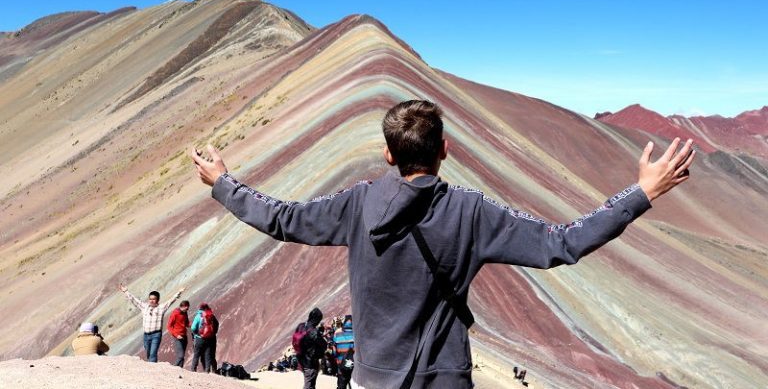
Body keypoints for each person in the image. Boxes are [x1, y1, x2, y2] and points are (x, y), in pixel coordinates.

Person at [191, 99, 695, 389]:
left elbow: (282, 219)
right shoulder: (471, 211)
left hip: (376, 378)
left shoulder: (357, 204)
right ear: (446, 151)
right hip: (445, 379)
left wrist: (223, 182)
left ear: (388, 155)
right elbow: (560, 244)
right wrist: (642, 192)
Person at [119, 283, 185, 363]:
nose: (151, 301)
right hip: (146, 335)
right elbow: (134, 300)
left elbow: (171, 300)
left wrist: (179, 292)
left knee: (153, 354)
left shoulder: (161, 308)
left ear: (157, 300)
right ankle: (152, 366)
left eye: (154, 299)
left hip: (156, 335)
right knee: (148, 353)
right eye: (150, 299)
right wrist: (126, 291)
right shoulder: (144, 307)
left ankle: (153, 370)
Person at [294, 307, 328, 389]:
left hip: (301, 358)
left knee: (309, 382)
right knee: (309, 384)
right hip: (310, 362)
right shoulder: (313, 331)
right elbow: (323, 344)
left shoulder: (301, 326)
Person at [190, 302, 219, 373]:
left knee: (196, 354)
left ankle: (193, 370)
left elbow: (193, 328)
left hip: (200, 338)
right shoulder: (211, 315)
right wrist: (213, 333)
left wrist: (197, 334)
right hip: (210, 338)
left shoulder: (198, 316)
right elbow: (217, 324)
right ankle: (207, 371)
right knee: (208, 354)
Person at [167, 300, 191, 367]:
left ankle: (180, 370)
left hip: (184, 336)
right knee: (180, 356)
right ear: (182, 306)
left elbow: (186, 323)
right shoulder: (175, 314)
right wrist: (176, 335)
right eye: (186, 308)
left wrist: (193, 325)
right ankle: (173, 368)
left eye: (188, 308)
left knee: (182, 357)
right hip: (177, 337)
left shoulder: (185, 313)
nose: (187, 310)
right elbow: (169, 326)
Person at [333, 315, 355, 389]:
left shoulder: (337, 333)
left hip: (341, 365)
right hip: (354, 366)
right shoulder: (357, 333)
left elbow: (334, 351)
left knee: (341, 386)